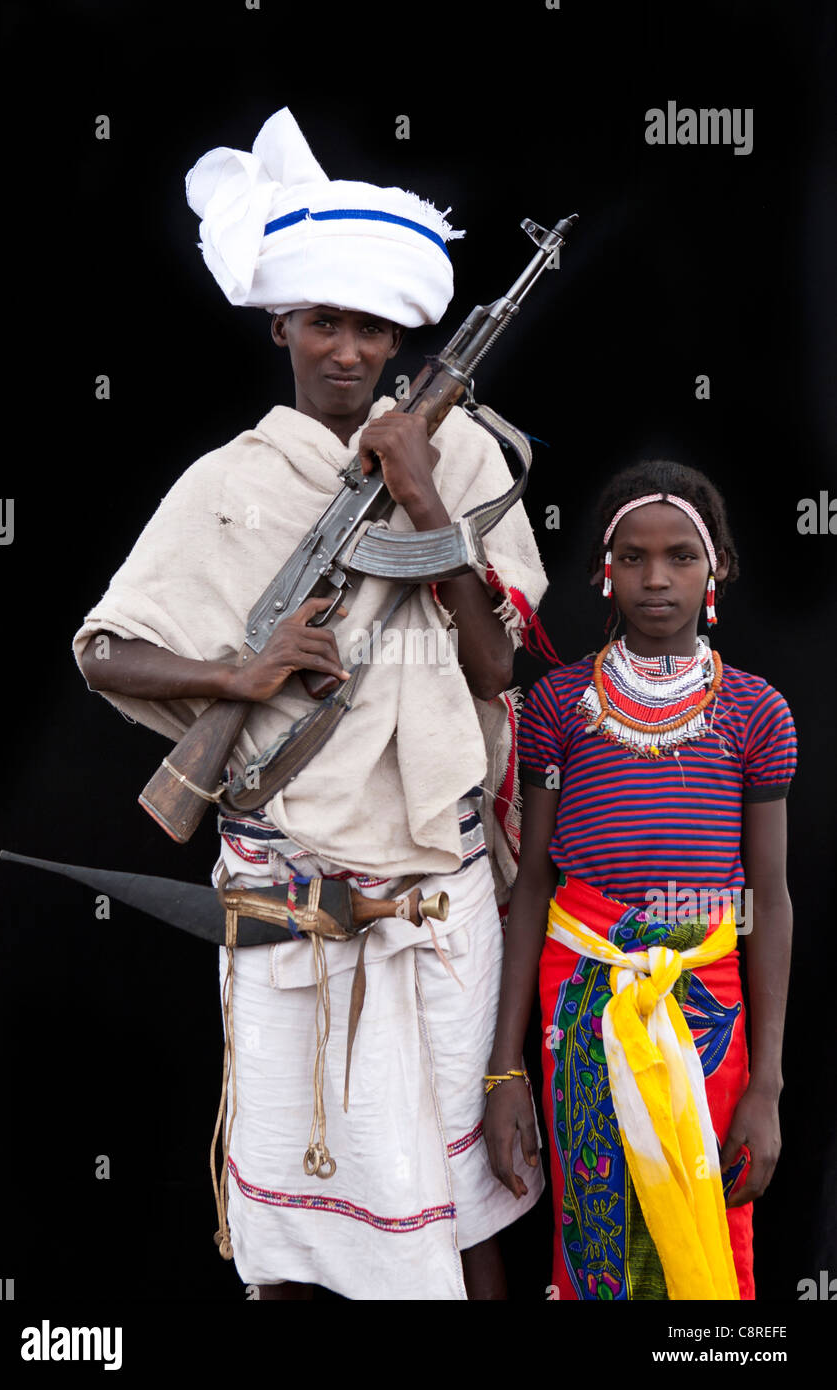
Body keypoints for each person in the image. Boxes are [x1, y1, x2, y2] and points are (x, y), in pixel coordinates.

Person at [72, 108, 549, 1300]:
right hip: (291, 893)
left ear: (400, 335)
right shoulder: (229, 481)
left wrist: (421, 495)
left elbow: (498, 670)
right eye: (322, 320)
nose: (346, 349)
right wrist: (235, 675)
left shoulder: (469, 459)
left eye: (370, 326)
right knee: (290, 1230)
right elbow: (106, 653)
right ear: (280, 321)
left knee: (462, 1212)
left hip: (437, 888)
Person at [483, 459, 797, 1299]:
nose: (656, 579)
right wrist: (505, 1068)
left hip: (706, 1003)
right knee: (598, 1227)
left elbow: (769, 899)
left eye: (681, 557)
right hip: (579, 996)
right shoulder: (554, 705)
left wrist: (765, 1085)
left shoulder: (757, 712)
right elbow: (533, 892)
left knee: (703, 1213)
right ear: (602, 571)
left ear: (717, 568)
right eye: (632, 557)